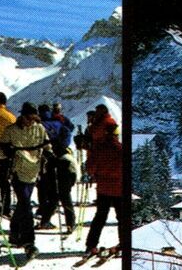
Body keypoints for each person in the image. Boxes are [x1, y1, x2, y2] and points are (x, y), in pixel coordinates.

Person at [0, 104, 50, 258]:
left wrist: (49, 154)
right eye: (29, 118)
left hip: (34, 171)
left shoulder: (39, 129)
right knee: (26, 205)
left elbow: (46, 144)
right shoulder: (11, 130)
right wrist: (6, 153)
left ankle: (14, 233)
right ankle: (29, 242)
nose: (30, 121)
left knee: (23, 203)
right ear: (22, 116)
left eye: (33, 118)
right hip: (18, 171)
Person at [82, 105, 123, 256]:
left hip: (104, 188)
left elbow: (90, 169)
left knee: (100, 217)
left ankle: (91, 245)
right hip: (119, 188)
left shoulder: (98, 148)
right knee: (122, 218)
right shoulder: (120, 148)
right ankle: (123, 244)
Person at [37, 103, 78, 230]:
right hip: (63, 159)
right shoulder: (60, 122)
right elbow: (69, 132)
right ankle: (70, 224)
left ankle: (45, 220)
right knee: (65, 194)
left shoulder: (38, 125)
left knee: (52, 194)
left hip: (46, 160)